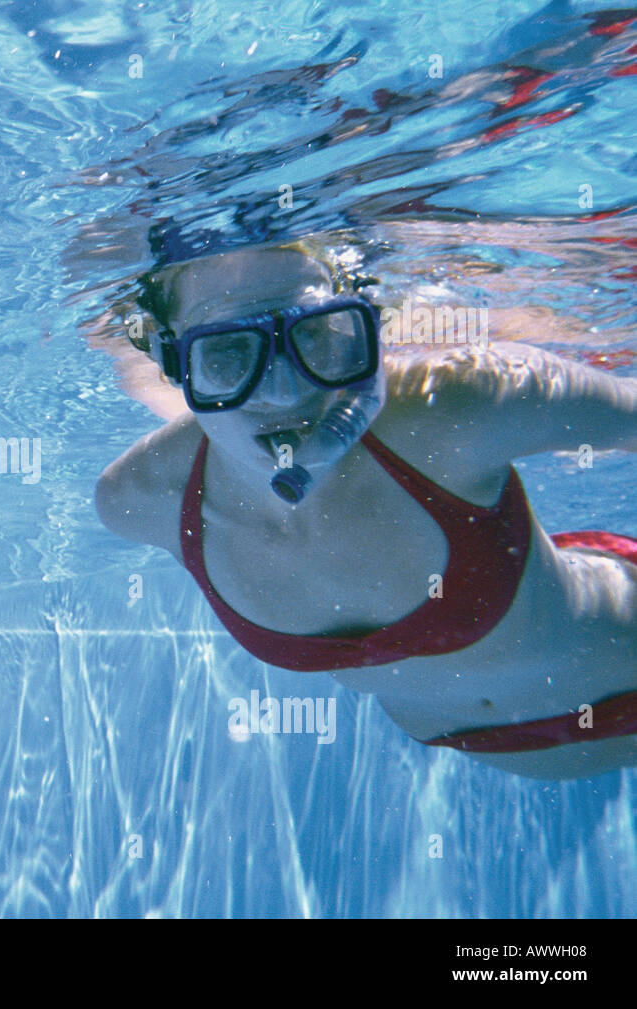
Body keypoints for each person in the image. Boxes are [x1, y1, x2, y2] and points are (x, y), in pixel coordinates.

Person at [94, 237, 637, 780]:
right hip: (478, 746)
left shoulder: (459, 404)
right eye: (228, 353)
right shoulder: (140, 498)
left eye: (317, 335)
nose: (285, 392)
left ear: (360, 325)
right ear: (170, 359)